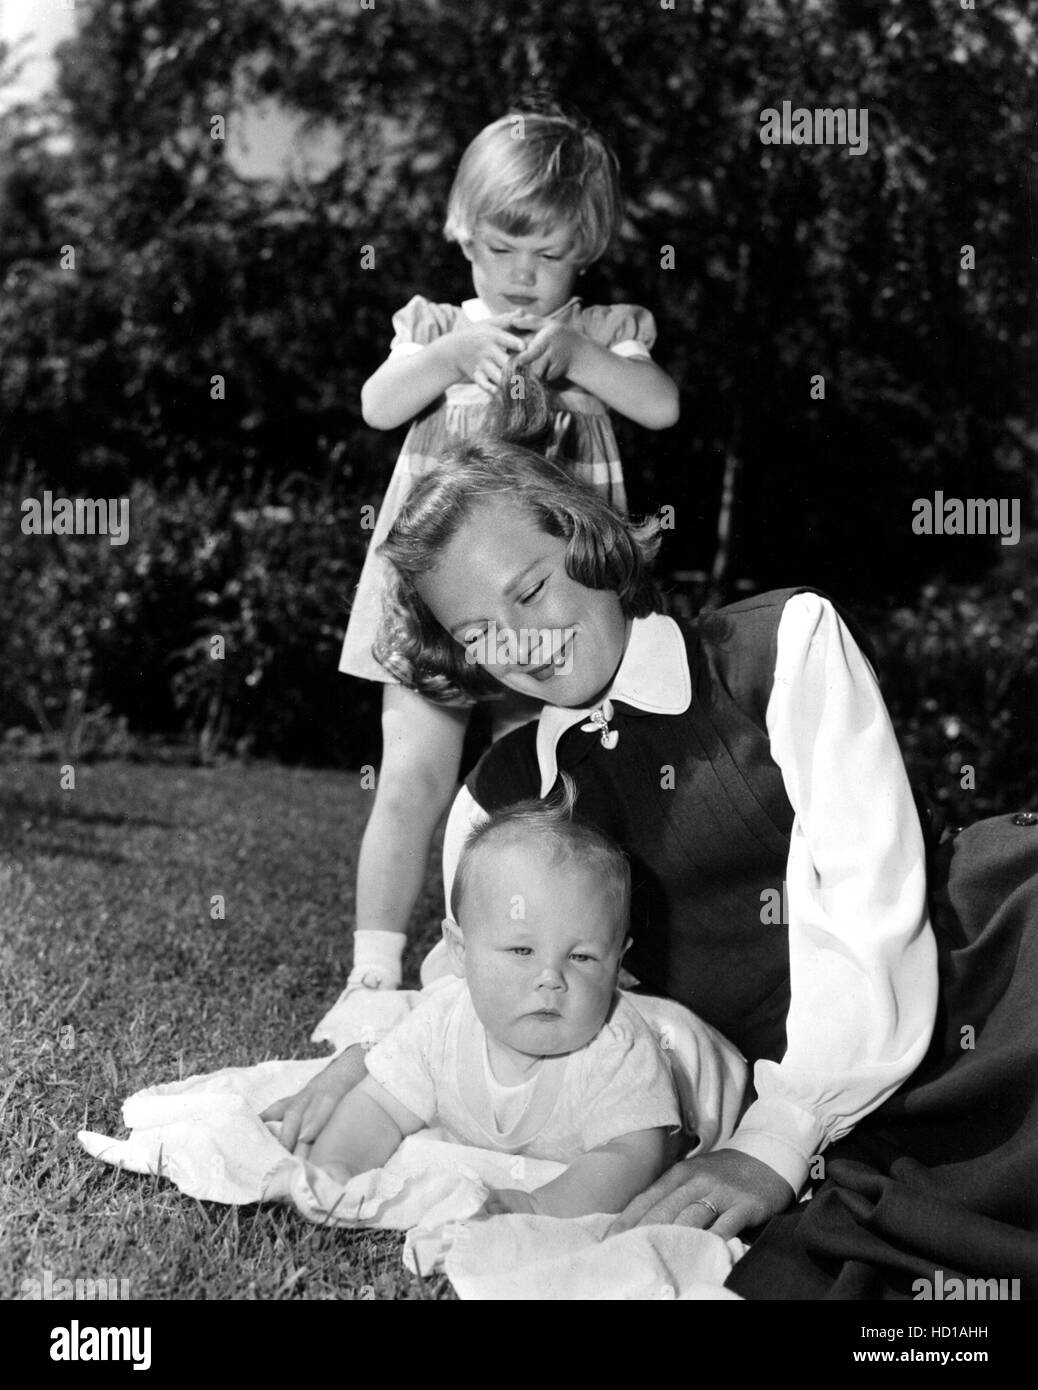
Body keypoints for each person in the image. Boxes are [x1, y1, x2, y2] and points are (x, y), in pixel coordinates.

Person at [325, 424, 1035, 1300]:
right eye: (478, 632)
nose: (520, 643)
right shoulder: (497, 798)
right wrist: (379, 1051)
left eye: (532, 589)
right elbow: (479, 989)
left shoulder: (781, 649)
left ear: (586, 538)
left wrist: (780, 1136)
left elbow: (868, 901)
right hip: (792, 1113)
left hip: (972, 978)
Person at [337, 97, 679, 999]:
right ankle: (372, 978)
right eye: (502, 247)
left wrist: (578, 359)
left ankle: (490, 964)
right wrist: (452, 360)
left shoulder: (605, 334)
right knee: (411, 771)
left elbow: (661, 407)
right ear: (462, 232)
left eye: (551, 252)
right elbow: (376, 405)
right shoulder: (438, 329)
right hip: (434, 594)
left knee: (537, 782)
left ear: (591, 244)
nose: (524, 274)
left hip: (556, 600)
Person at [306, 776, 699, 1218]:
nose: (551, 978)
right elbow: (379, 1104)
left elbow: (630, 1157)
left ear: (617, 963)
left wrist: (536, 1206)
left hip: (697, 1059)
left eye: (583, 957)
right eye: (521, 950)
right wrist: (336, 1167)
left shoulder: (618, 1048)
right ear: (459, 950)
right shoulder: (440, 1025)